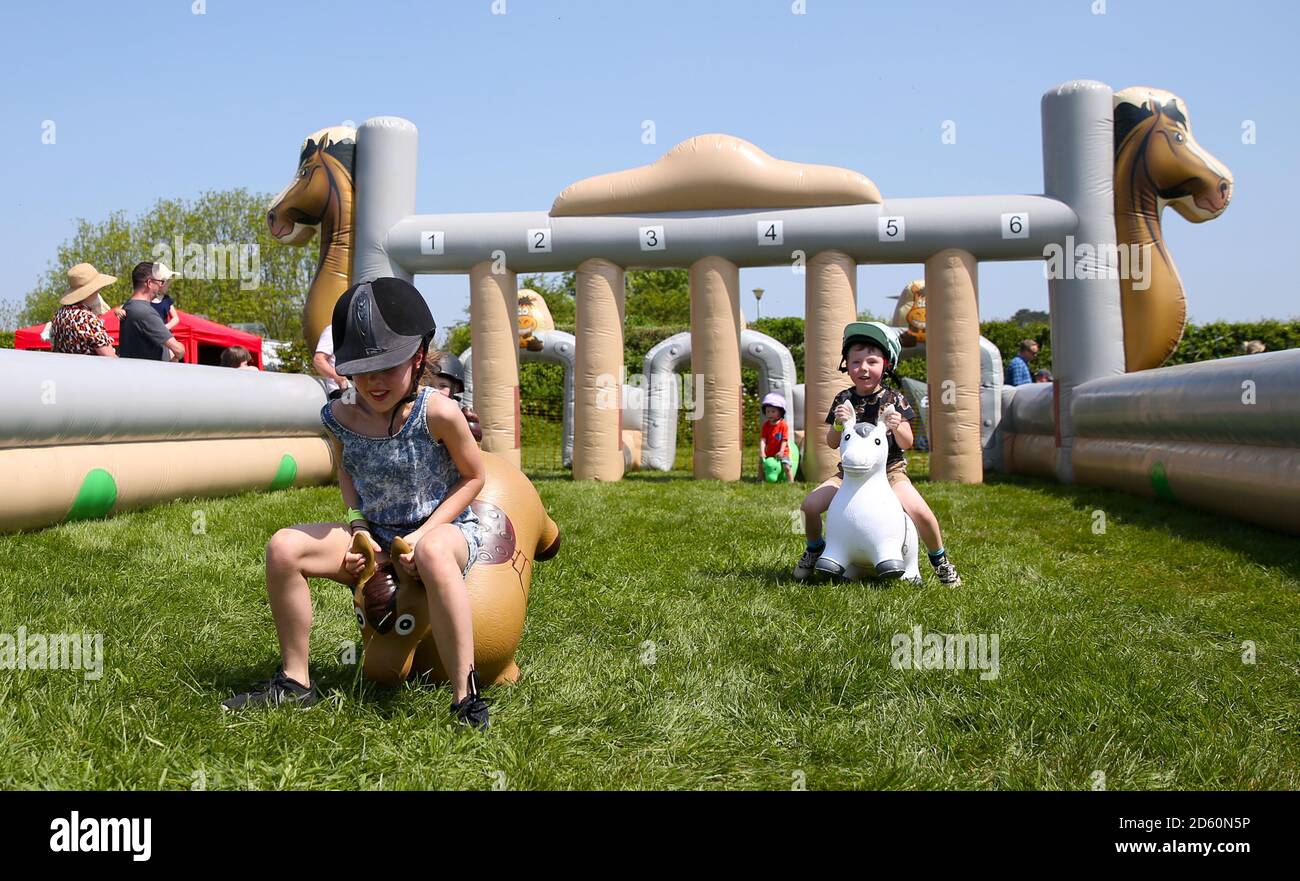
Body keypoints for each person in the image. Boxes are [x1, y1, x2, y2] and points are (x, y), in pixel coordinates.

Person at [222, 278, 490, 729]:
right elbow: (347, 469)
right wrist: (358, 525)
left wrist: (421, 536)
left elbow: (474, 475)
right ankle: (295, 680)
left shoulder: (438, 413)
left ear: (419, 357)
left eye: (388, 366)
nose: (374, 381)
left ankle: (466, 695)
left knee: (433, 554)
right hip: (376, 530)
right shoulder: (339, 417)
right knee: (284, 547)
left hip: (441, 528)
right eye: (361, 369)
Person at [793, 322, 962, 586]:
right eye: (856, 361)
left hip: (890, 471)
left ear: (886, 365)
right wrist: (838, 424)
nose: (863, 368)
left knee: (921, 512)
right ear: (846, 366)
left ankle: (939, 560)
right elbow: (831, 442)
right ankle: (815, 548)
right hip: (849, 474)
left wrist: (896, 425)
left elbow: (907, 442)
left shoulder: (894, 399)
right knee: (809, 507)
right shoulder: (843, 399)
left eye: (871, 361)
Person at [118, 262, 186, 362]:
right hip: (151, 374)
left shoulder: (129, 306)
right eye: (161, 282)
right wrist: (175, 357)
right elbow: (179, 350)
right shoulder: (145, 312)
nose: (162, 286)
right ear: (149, 283)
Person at [49, 263, 117, 357]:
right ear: (90, 292)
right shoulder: (87, 318)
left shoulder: (59, 315)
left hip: (65, 369)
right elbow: (110, 357)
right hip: (91, 370)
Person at [420, 349, 483, 443]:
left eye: (443, 386)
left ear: (455, 390)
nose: (433, 391)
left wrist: (469, 437)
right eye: (429, 385)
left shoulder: (458, 421)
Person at [114, 263, 180, 329]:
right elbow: (124, 306)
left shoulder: (166, 299)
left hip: (163, 334)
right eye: (165, 282)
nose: (168, 285)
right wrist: (118, 311)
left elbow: (175, 318)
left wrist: (165, 327)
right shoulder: (143, 300)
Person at [759, 392, 794, 483]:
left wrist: (782, 451)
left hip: (782, 452)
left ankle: (791, 482)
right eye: (768, 411)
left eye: (773, 411)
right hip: (769, 452)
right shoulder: (766, 426)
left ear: (780, 412)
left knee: (786, 466)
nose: (770, 414)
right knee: (761, 464)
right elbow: (763, 440)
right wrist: (762, 451)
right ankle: (759, 480)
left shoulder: (783, 425)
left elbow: (784, 440)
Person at [313, 323, 350, 399]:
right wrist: (339, 377)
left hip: (361, 389)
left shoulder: (360, 331)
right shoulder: (333, 330)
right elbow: (318, 360)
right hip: (343, 390)